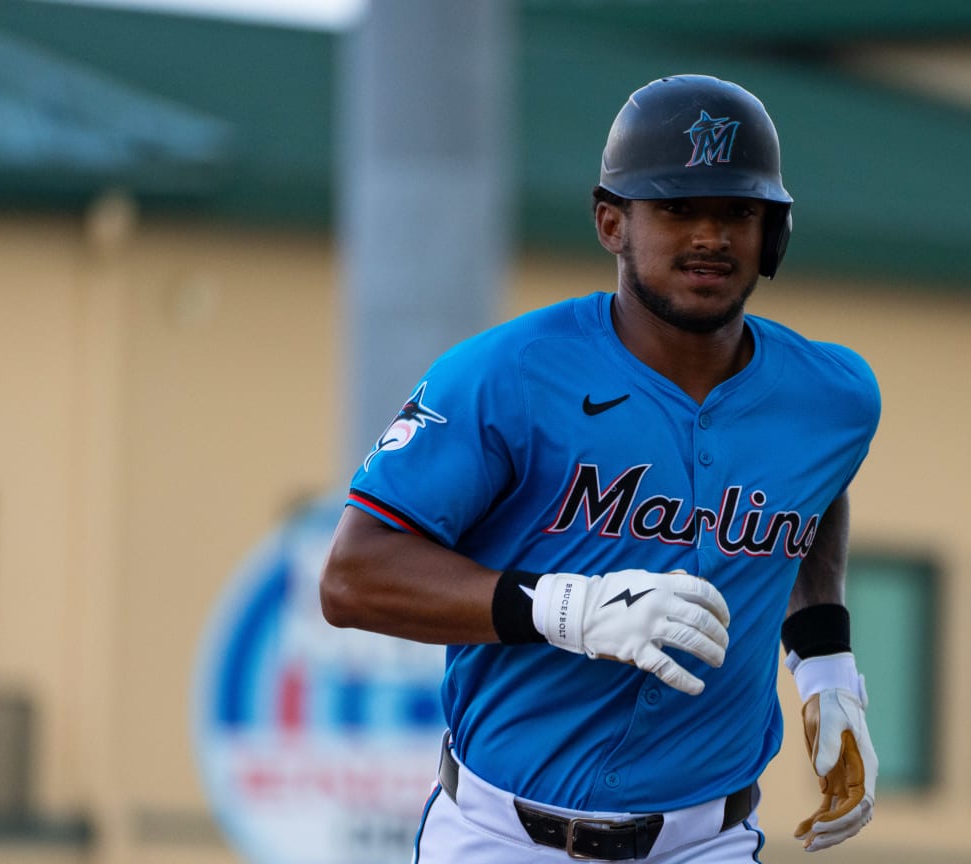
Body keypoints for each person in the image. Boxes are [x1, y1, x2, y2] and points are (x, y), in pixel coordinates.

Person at [320, 74, 881, 863]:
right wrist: (566, 609)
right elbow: (352, 577)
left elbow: (814, 489)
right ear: (611, 221)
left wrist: (826, 663)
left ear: (774, 232)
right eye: (677, 209)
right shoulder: (505, 373)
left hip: (706, 841)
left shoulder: (834, 397)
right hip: (505, 835)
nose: (711, 237)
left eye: (736, 212)